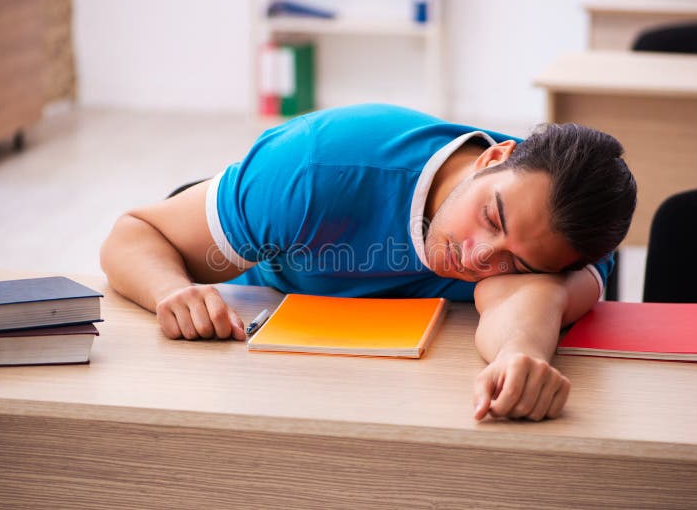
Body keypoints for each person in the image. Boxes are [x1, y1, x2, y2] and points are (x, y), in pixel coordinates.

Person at [100, 103, 636, 422]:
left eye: (515, 262)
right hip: (257, 371)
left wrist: (518, 356)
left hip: (394, 394)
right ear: (495, 156)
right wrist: (171, 289)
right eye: (490, 219)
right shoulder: (316, 168)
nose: (476, 259)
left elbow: (526, 304)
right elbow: (135, 233)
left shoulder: (561, 232)